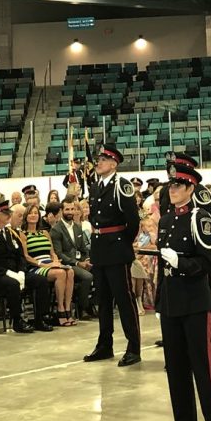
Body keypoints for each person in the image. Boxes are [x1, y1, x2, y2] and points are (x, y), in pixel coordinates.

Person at [155, 160, 211, 421]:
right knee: (176, 370)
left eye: (178, 185)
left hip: (195, 303)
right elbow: (161, 265)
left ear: (191, 188)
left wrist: (180, 263)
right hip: (171, 302)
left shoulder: (202, 218)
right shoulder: (166, 220)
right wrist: (159, 302)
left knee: (203, 370)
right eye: (171, 185)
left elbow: (206, 263)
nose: (173, 190)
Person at [83, 145, 142, 366]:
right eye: (98, 159)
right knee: (103, 300)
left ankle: (133, 347)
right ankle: (104, 345)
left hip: (116, 248)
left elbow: (133, 222)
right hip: (99, 249)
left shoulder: (122, 185)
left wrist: (122, 244)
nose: (98, 162)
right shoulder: (96, 186)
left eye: (103, 159)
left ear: (114, 164)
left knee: (125, 300)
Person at [0, 195, 36, 333]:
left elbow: (20, 255)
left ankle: (40, 317)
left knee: (39, 280)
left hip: (15, 272)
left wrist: (21, 271)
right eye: (5, 213)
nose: (9, 216)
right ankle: (17, 320)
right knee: (12, 284)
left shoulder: (11, 233)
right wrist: (8, 273)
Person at [15, 202, 69, 330]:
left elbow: (52, 252)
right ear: (26, 216)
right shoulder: (22, 234)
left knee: (70, 272)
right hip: (35, 266)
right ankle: (59, 310)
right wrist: (44, 264)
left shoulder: (45, 233)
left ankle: (67, 310)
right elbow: (26, 256)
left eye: (36, 213)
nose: (33, 216)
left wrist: (56, 261)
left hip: (50, 263)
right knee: (61, 274)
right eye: (30, 213)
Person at [51, 198, 95, 319]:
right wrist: (77, 263)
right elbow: (59, 253)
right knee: (88, 277)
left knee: (101, 271)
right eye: (67, 209)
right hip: (67, 264)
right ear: (61, 211)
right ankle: (82, 307)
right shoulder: (56, 229)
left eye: (72, 209)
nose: (70, 212)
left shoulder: (77, 227)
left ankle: (92, 303)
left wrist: (86, 260)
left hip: (80, 261)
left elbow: (83, 248)